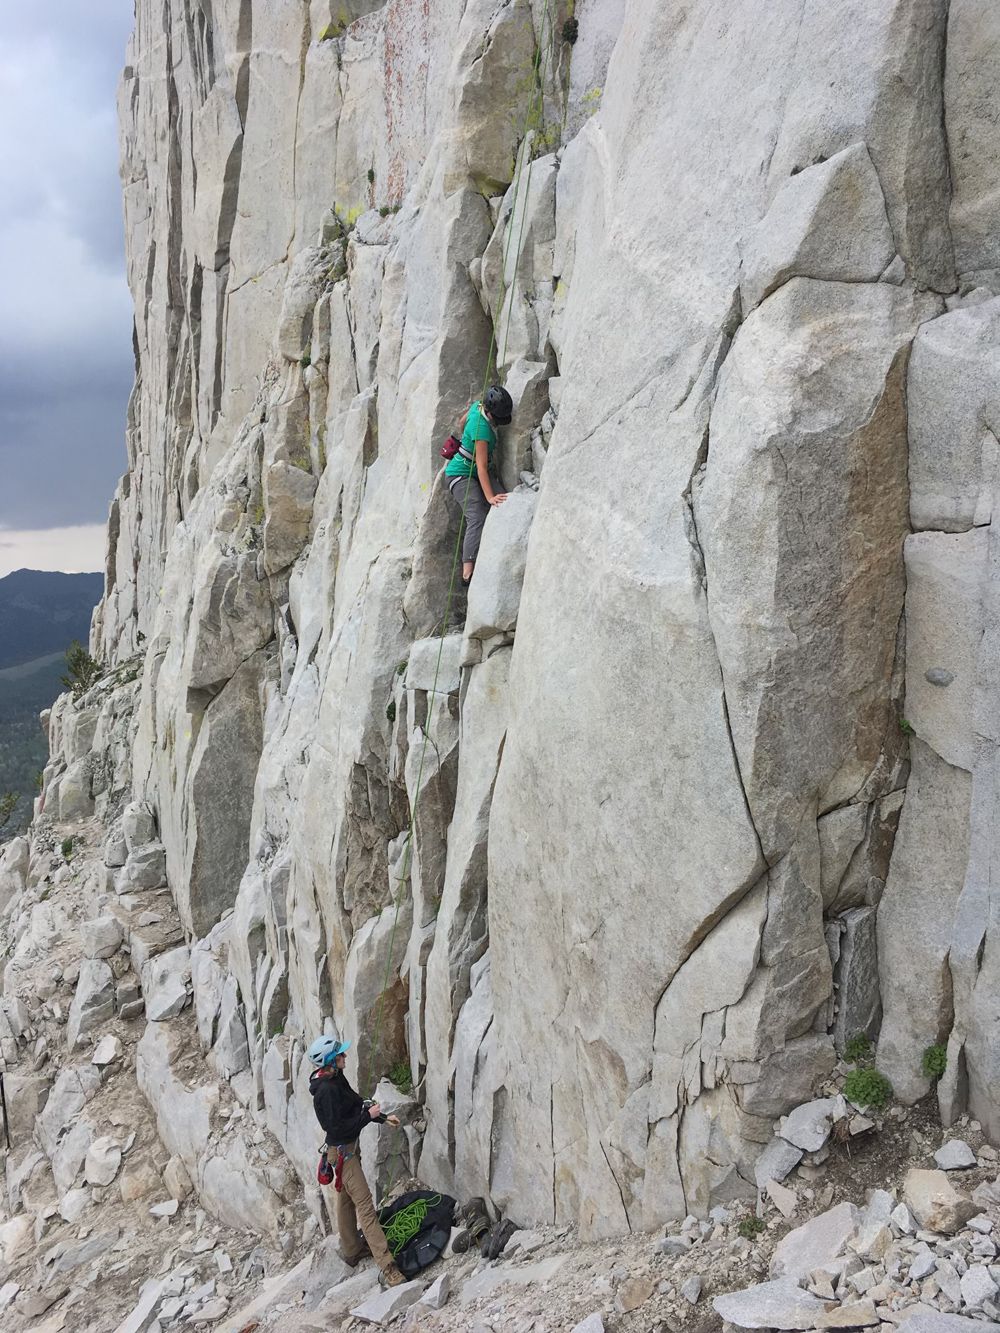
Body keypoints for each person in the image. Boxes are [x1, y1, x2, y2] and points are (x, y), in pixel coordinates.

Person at [307, 1033, 406, 1287]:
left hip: (345, 1150)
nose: (345, 1056)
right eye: (340, 1054)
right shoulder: (325, 1093)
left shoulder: (335, 1077)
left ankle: (352, 1250)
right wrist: (367, 1117)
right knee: (365, 1206)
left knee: (345, 1198)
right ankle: (388, 1266)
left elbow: (353, 1102)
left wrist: (381, 1117)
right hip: (343, 1153)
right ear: (330, 1060)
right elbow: (337, 1128)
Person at [445, 384, 514, 584]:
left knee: (505, 501)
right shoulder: (482, 430)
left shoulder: (478, 405)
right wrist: (489, 497)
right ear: (493, 415)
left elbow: (461, 422)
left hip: (472, 471)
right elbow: (482, 467)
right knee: (476, 515)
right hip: (459, 475)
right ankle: (467, 572)